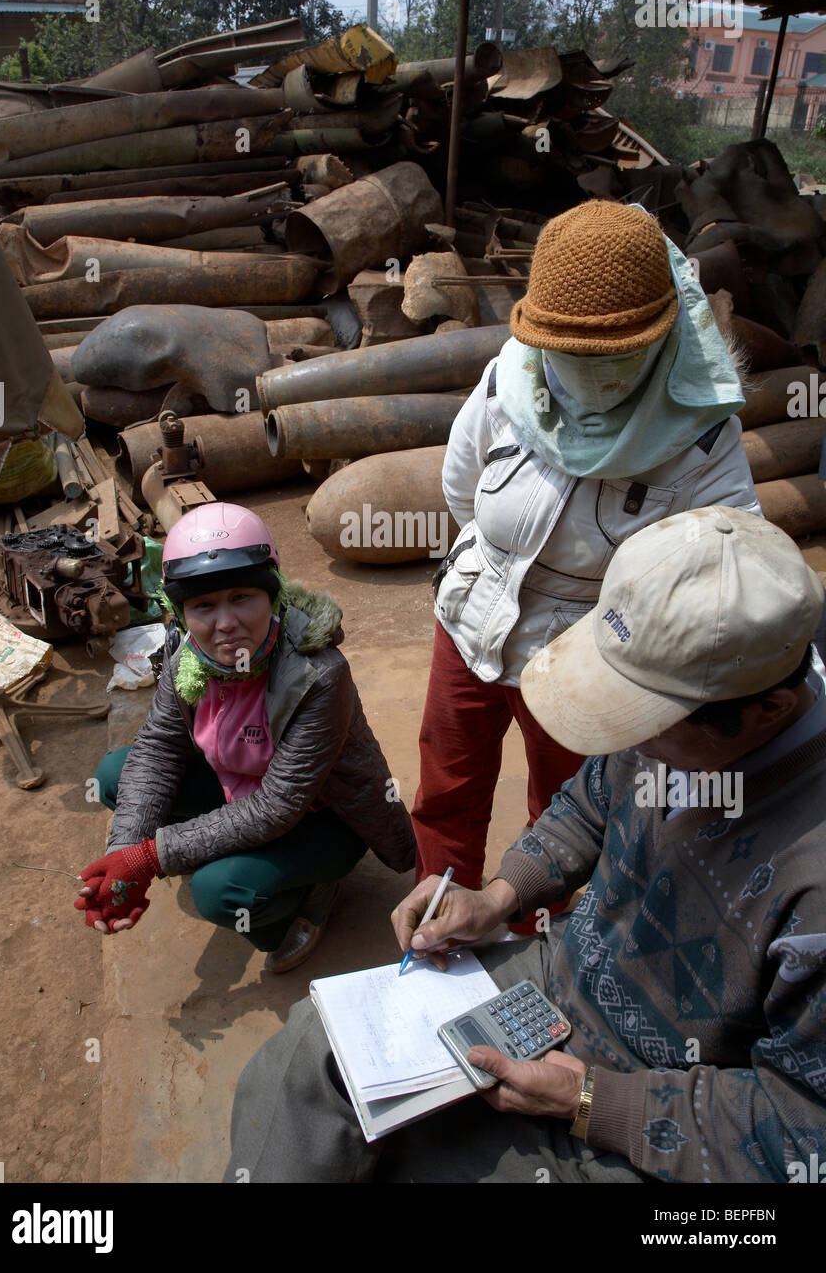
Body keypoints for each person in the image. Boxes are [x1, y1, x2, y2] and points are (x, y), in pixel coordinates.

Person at [224, 506, 826, 1182]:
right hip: (556, 985)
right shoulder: (694, 696)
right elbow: (591, 803)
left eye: (650, 726)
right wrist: (497, 896)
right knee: (316, 1058)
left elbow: (805, 1125)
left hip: (657, 1106)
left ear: (769, 711)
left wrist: (596, 1102)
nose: (630, 743)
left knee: (413, 1158)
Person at [413, 199, 761, 916]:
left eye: (611, 356)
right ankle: (437, 928)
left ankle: (552, 951)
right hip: (472, 621)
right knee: (447, 791)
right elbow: (460, 489)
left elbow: (728, 570)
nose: (586, 373)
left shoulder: (703, 435)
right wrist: (501, 573)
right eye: (568, 354)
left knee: (565, 810)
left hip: (586, 662)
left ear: (662, 335)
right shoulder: (507, 382)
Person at [74, 502, 415, 973]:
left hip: (322, 816)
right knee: (116, 772)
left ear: (272, 595)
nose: (225, 623)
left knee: (218, 891)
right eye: (203, 606)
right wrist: (122, 860)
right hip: (238, 789)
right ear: (178, 612)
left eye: (242, 597)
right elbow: (158, 748)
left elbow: (278, 805)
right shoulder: (186, 656)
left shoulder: (318, 674)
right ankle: (232, 857)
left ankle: (304, 903)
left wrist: (153, 856)